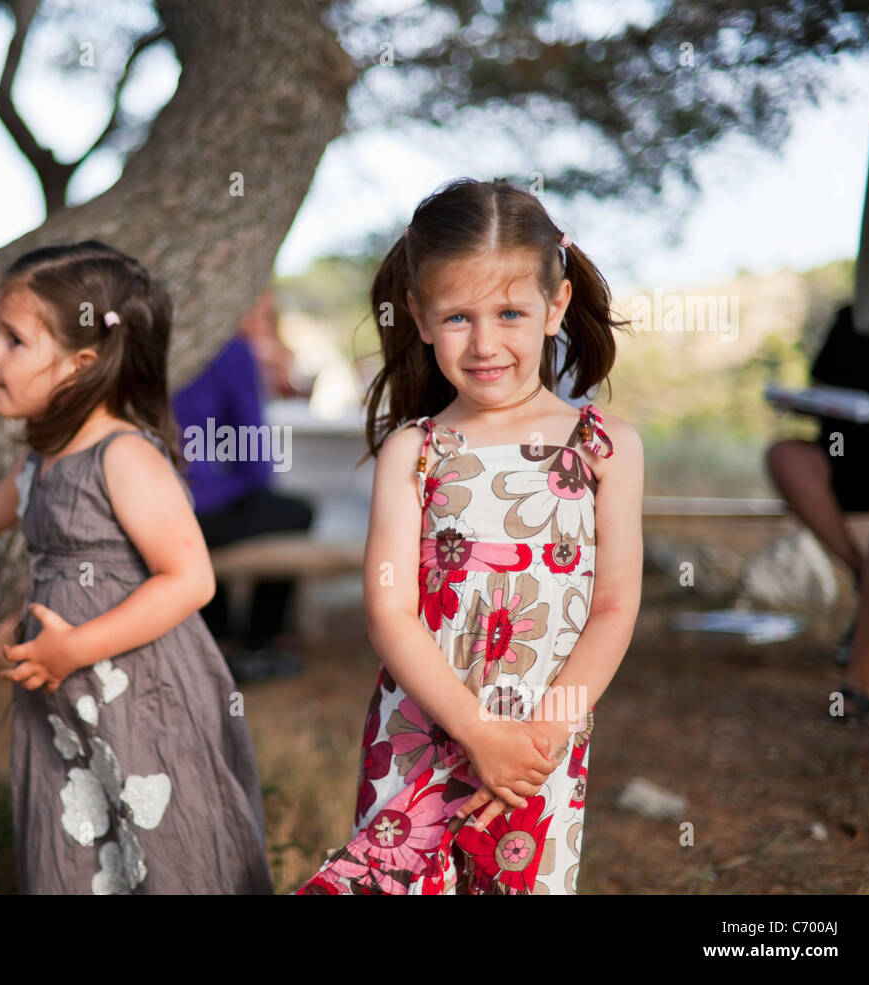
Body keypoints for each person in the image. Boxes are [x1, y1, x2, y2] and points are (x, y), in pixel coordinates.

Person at [0, 240, 273, 894]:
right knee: (82, 834)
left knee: (163, 835)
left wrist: (77, 647)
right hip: (65, 690)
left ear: (79, 364)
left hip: (138, 687)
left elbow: (190, 579)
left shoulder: (123, 455)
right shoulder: (45, 457)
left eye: (12, 339)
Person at [296, 177, 643, 895]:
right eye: (458, 316)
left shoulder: (605, 447)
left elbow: (613, 606)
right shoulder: (415, 452)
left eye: (510, 311)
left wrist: (534, 740)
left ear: (556, 306)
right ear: (420, 318)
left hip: (537, 749)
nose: (485, 342)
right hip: (424, 729)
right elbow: (389, 610)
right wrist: (475, 729)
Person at [172, 291, 314, 683]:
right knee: (294, 511)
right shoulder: (230, 350)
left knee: (204, 528)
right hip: (204, 507)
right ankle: (260, 640)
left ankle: (217, 638)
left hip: (159, 505)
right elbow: (250, 439)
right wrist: (259, 490)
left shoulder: (165, 344)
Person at [763, 304, 869, 665]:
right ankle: (867, 578)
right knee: (785, 455)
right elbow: (822, 387)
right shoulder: (854, 316)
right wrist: (801, 402)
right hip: (847, 459)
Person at [832, 95, 869, 723]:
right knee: (789, 459)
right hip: (853, 440)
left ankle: (868, 666)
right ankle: (867, 665)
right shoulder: (857, 320)